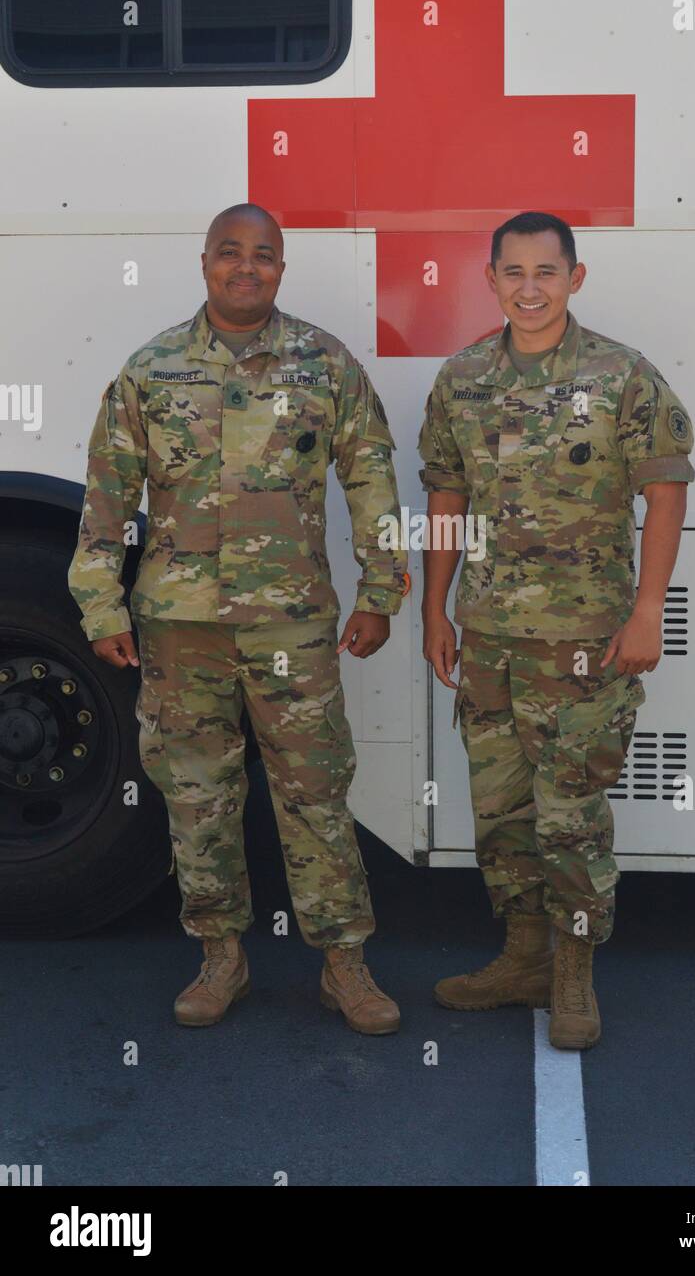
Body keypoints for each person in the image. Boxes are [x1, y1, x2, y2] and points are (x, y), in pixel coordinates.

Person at [69, 203, 408, 1035]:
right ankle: (221, 957)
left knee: (316, 793)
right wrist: (100, 602)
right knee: (198, 796)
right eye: (231, 253)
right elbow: (107, 496)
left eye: (263, 255)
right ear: (206, 263)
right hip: (180, 627)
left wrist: (382, 591)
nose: (245, 267)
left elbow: (372, 483)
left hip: (290, 626)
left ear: (281, 270)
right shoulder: (151, 369)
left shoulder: (325, 364)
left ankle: (344, 965)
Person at [418, 210, 695, 1049]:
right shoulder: (462, 378)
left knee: (570, 818)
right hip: (490, 640)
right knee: (501, 815)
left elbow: (667, 487)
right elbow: (445, 499)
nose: (529, 288)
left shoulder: (621, 375)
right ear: (491, 279)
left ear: (576, 278)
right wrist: (436, 606)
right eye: (513, 272)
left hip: (584, 643)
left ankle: (574, 975)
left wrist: (649, 610)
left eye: (546, 271)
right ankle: (524, 956)